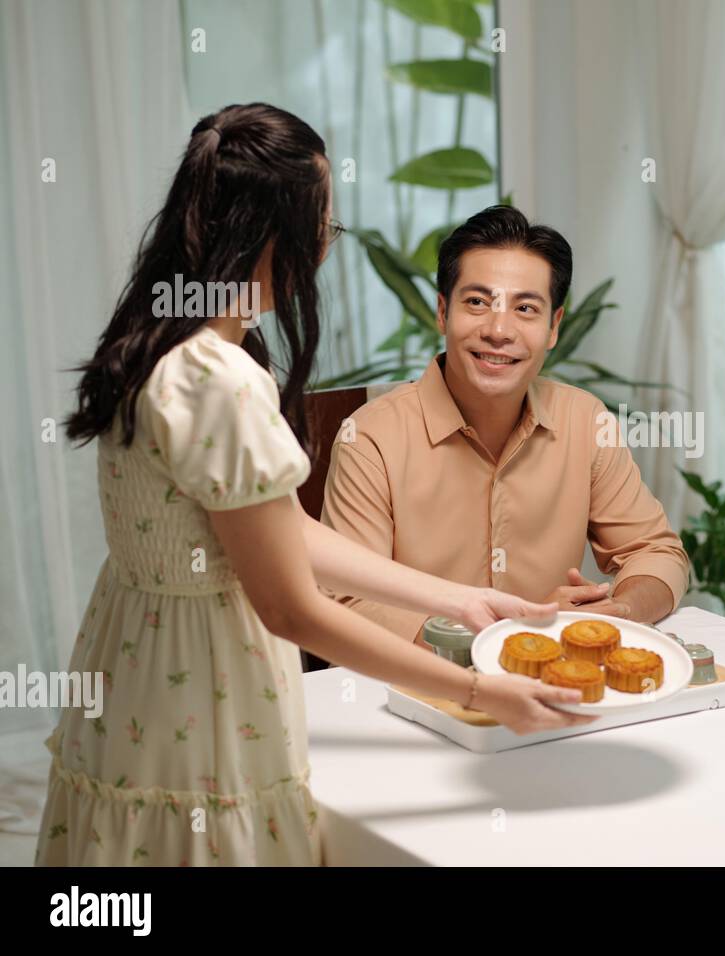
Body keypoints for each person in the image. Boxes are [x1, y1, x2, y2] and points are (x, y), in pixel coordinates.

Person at [37, 104, 592, 867]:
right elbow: (289, 603)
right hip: (203, 679)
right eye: (322, 229)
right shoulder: (219, 378)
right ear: (277, 233)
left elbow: (276, 531)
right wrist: (475, 691)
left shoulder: (165, 338)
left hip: (138, 656)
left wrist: (455, 600)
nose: (323, 250)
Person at [319, 205, 689, 642]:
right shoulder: (371, 438)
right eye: (476, 302)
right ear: (443, 312)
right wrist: (507, 634)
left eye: (525, 308)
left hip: (554, 686)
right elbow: (348, 602)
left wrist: (621, 610)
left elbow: (656, 552)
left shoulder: (584, 422)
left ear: (553, 327)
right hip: (419, 688)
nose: (499, 330)